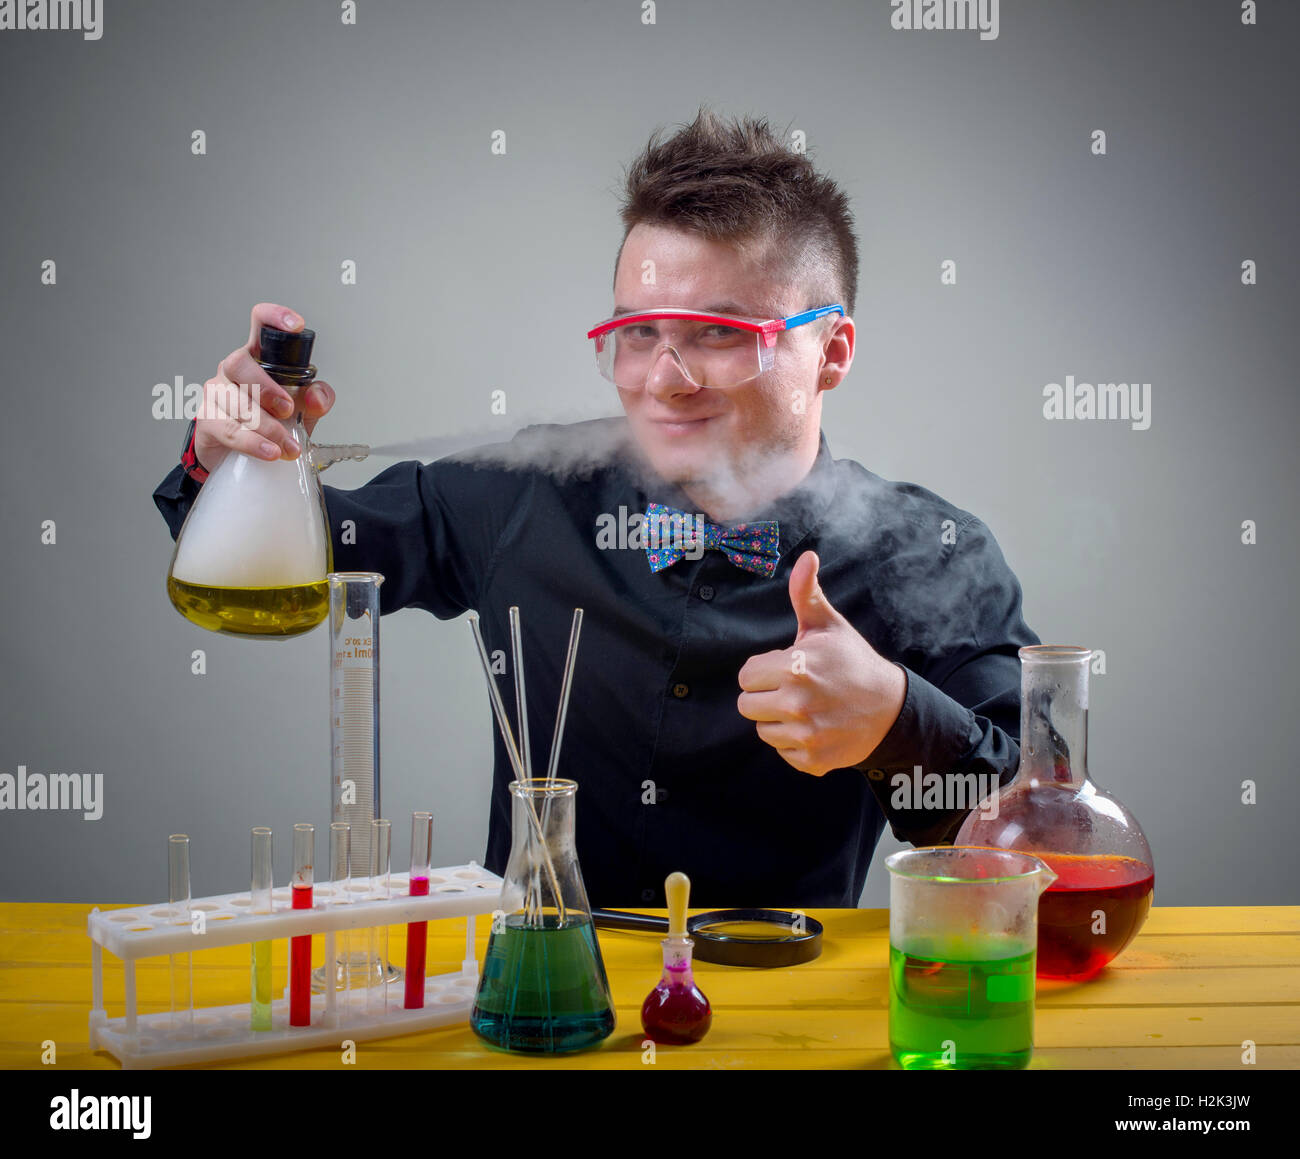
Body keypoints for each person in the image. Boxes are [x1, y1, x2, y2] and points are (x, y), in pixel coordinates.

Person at [153, 109, 1038, 908]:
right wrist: (233, 463)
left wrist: (894, 720)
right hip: (538, 1008)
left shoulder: (933, 556)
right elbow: (288, 569)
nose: (664, 379)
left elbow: (1044, 846)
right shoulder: (523, 494)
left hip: (794, 1020)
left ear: (831, 352)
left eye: (720, 334)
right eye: (637, 331)